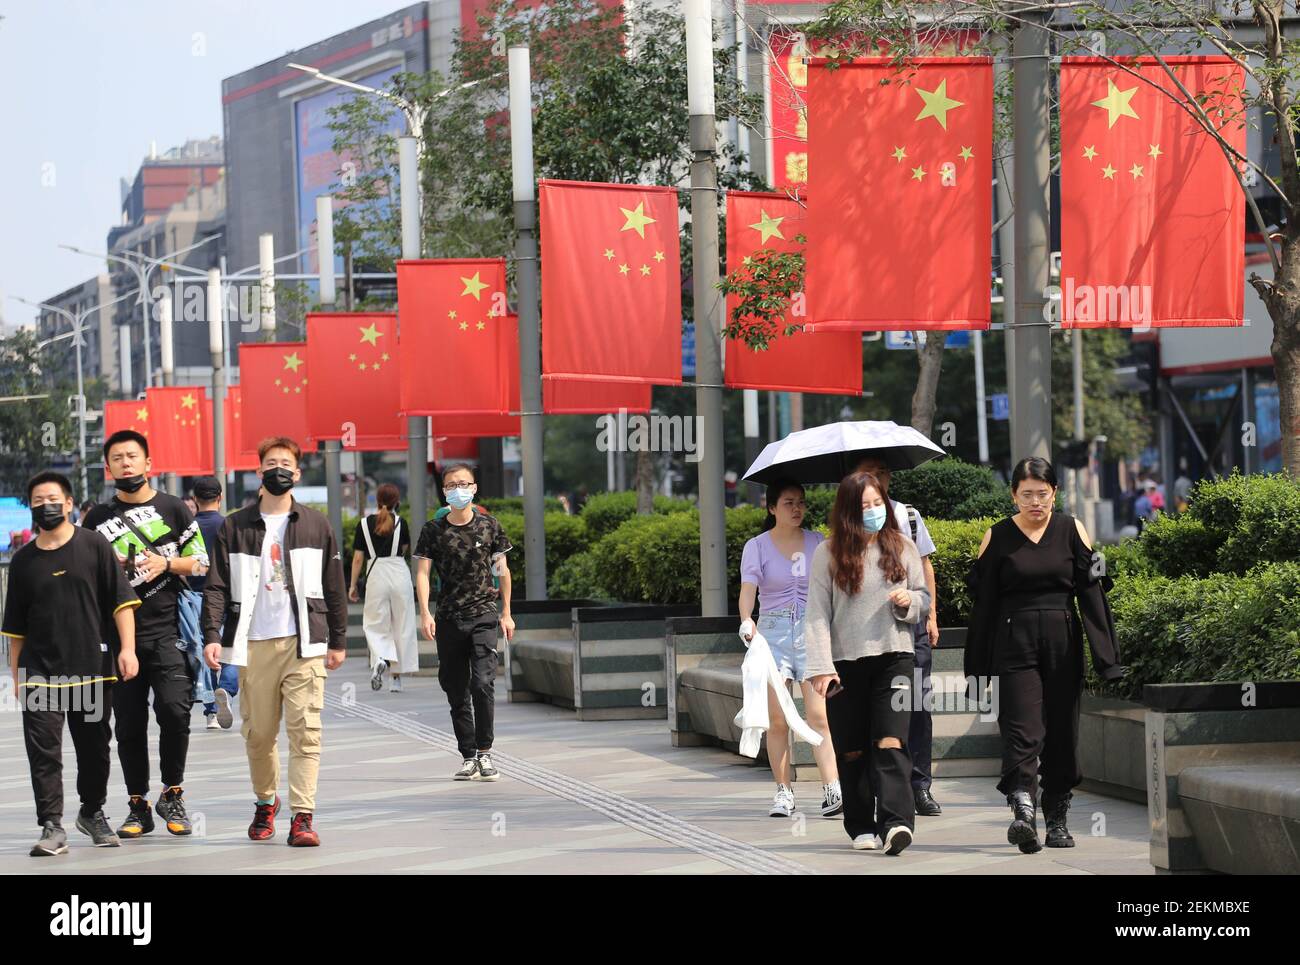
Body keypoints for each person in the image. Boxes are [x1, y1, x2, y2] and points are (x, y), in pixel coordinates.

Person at [965, 457, 1125, 854]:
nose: (1035, 502)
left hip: (1062, 639)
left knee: (1061, 733)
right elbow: (982, 606)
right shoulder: (997, 536)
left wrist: (1108, 659)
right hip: (1012, 640)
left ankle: (1056, 818)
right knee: (1022, 727)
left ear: (1055, 492)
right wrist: (976, 669)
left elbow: (1092, 592)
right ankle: (1022, 808)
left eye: (1043, 494)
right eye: (1026, 495)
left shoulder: (1072, 529)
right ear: (1014, 495)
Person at [202, 437, 348, 846]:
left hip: (304, 644)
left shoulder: (316, 524)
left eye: (286, 463)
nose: (278, 468)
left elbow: (333, 587)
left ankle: (303, 816)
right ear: (258, 471)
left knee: (306, 731)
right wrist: (212, 635)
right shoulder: (235, 525)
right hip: (253, 644)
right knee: (260, 735)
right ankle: (266, 802)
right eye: (271, 462)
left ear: (298, 474)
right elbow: (215, 586)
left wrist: (337, 640)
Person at [3, 472, 140, 855]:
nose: (45, 505)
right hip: (39, 675)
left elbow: (121, 603)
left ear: (67, 504)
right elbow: (15, 628)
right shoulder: (23, 561)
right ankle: (51, 826)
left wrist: (127, 649)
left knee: (94, 749)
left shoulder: (94, 546)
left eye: (52, 498)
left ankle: (92, 811)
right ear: (31, 508)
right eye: (37, 500)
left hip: (91, 669)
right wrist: (17, 677)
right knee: (44, 753)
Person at [83, 429, 208, 839]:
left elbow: (202, 564)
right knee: (130, 726)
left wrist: (165, 564)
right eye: (117, 458)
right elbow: (84, 575)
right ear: (108, 468)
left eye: (132, 456)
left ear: (148, 463)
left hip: (168, 630)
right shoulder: (96, 520)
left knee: (175, 711)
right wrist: (110, 566)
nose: (126, 463)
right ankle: (138, 803)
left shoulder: (174, 509)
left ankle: (172, 793)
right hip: (119, 639)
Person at [805, 471, 930, 855]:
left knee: (891, 739)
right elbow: (816, 614)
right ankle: (861, 825)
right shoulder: (827, 553)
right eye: (864, 506)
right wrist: (821, 667)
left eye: (878, 503)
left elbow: (923, 596)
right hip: (844, 664)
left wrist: (912, 603)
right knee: (853, 749)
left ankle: (896, 823)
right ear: (847, 512)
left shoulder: (903, 546)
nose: (874, 511)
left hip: (895, 658)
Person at [738, 479, 841, 819]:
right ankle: (783, 792)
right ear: (771, 508)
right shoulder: (757, 546)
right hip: (773, 634)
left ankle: (832, 788)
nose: (796, 509)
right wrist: (746, 620)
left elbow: (832, 587)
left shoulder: (818, 542)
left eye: (800, 502)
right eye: (788, 503)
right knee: (778, 720)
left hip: (812, 632)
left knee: (818, 715)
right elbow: (748, 590)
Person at [854, 456, 943, 817]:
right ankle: (880, 786)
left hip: (912, 627)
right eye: (869, 473)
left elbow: (924, 566)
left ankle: (920, 784)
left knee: (917, 704)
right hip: (867, 633)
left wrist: (932, 613)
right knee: (876, 710)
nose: (878, 479)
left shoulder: (908, 516)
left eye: (883, 472)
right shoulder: (849, 520)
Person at [415, 464, 514, 782]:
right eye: (451, 485)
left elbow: (503, 570)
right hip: (448, 618)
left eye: (463, 483)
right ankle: (468, 755)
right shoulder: (433, 530)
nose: (458, 489)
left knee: (482, 683)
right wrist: (425, 613)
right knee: (455, 688)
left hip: (484, 615)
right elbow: (422, 574)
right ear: (444, 492)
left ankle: (485, 753)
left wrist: (507, 612)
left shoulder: (489, 525)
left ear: (474, 488)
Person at [349, 483, 418, 693]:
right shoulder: (401, 523)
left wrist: (352, 585)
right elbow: (404, 550)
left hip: (376, 574)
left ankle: (379, 658)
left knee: (375, 623)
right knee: (401, 624)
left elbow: (358, 558)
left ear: (377, 500)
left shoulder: (363, 524)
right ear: (397, 501)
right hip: (398, 572)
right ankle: (396, 678)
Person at [189, 477, 237, 731]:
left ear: (195, 499)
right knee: (230, 648)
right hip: (227, 597)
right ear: (220, 498)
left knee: (205, 651)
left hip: (196, 599)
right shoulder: (230, 526)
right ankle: (227, 690)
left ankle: (210, 711)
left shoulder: (188, 527)